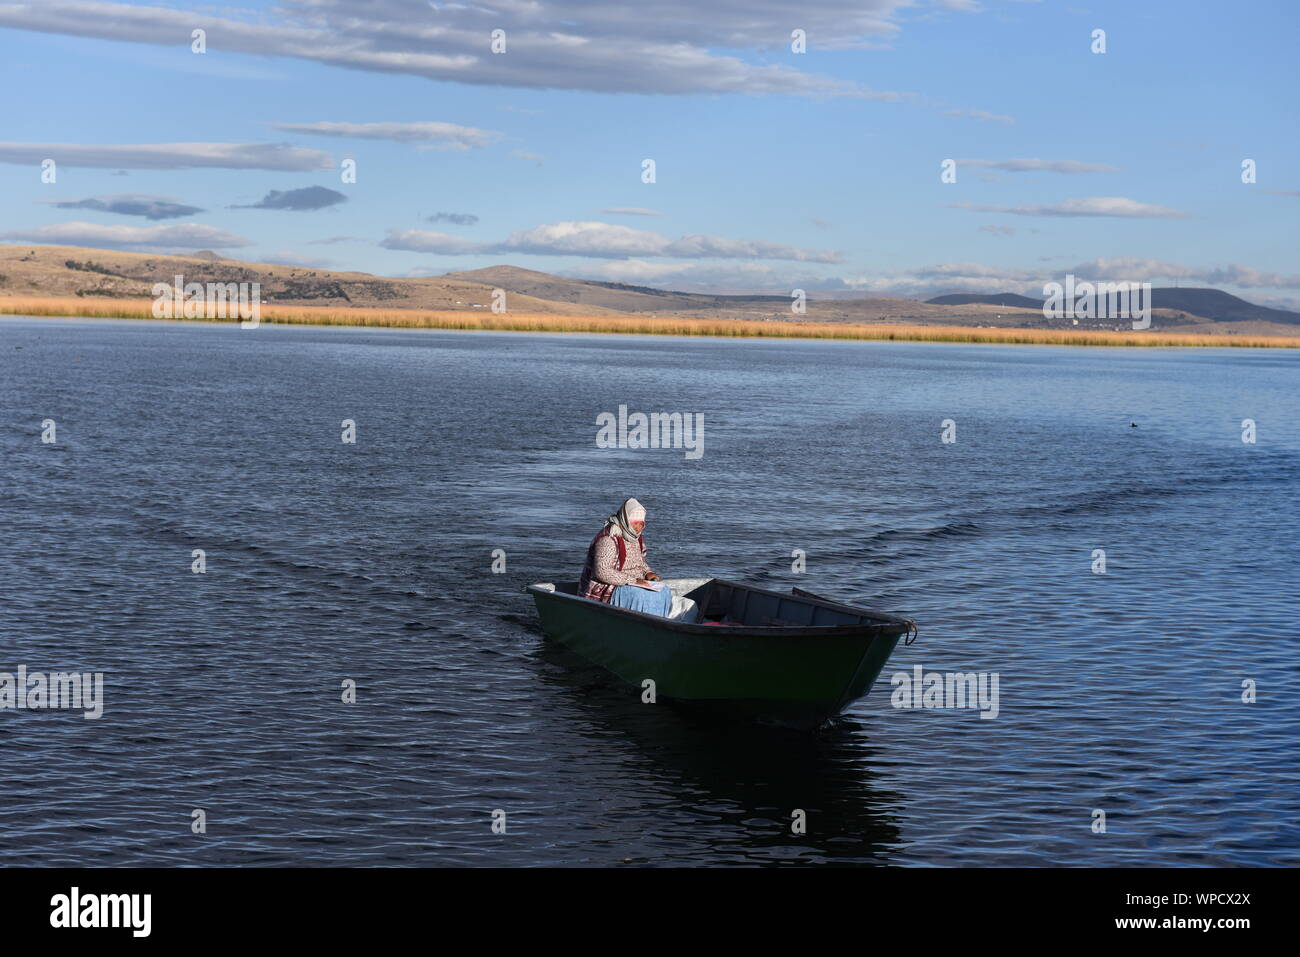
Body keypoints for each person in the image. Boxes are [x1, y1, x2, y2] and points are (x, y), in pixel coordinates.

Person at [578, 497, 672, 616]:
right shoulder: (608, 539)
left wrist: (647, 572)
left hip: (635, 583)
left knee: (664, 591)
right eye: (635, 523)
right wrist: (633, 581)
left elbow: (639, 562)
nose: (638, 527)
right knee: (640, 596)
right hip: (608, 589)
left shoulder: (635, 538)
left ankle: (658, 627)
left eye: (641, 524)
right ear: (626, 520)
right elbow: (602, 571)